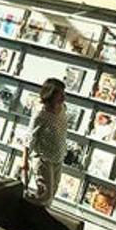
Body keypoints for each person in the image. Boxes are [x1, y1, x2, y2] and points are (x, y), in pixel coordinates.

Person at [20, 78, 69, 206]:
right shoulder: (41, 113)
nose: (63, 97)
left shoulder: (63, 108)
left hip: (58, 157)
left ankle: (37, 216)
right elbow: (30, 137)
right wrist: (24, 161)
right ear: (51, 94)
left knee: (51, 195)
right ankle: (26, 209)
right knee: (44, 196)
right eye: (60, 94)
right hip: (44, 159)